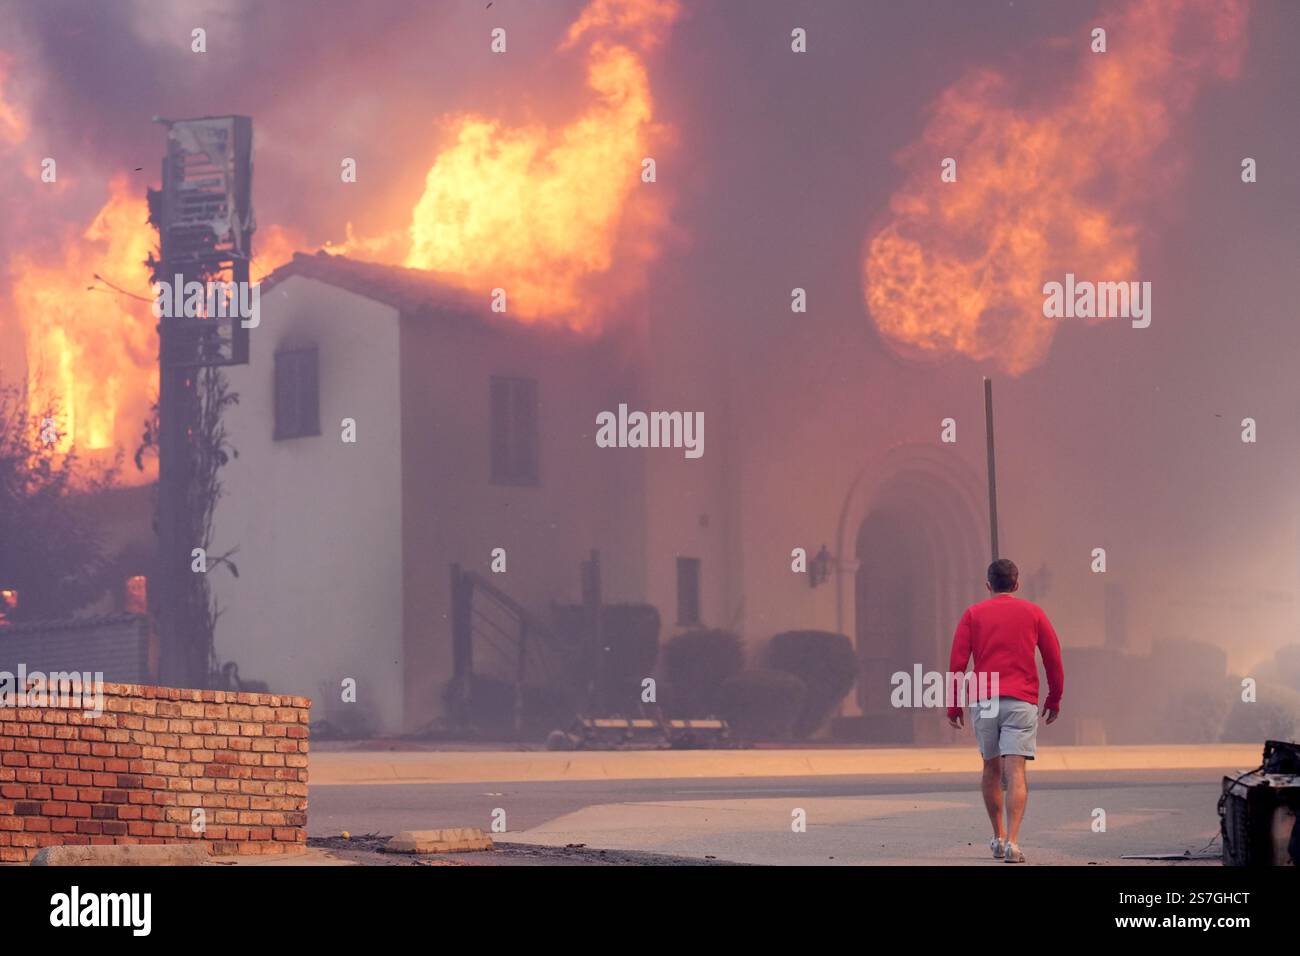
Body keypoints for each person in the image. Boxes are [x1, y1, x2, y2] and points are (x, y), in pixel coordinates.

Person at [946, 558, 1064, 863]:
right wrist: (1054, 697)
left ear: (988, 585)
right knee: (1016, 773)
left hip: (984, 701)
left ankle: (997, 837)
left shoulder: (973, 614)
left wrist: (953, 704)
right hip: (1021, 700)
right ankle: (1013, 842)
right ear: (1017, 583)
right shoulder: (1034, 613)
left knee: (990, 769)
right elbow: (1053, 658)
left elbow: (958, 663)